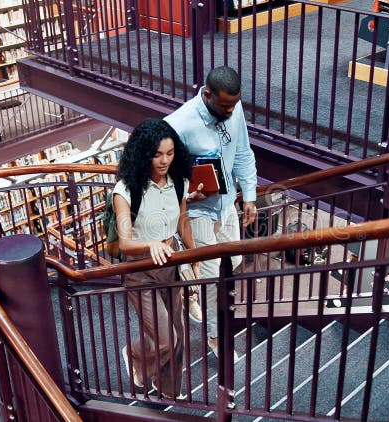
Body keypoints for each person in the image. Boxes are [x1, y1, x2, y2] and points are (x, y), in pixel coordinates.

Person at [165, 66, 258, 358]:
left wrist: (250, 196)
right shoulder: (178, 126)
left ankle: (189, 282)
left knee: (234, 260)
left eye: (235, 104)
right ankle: (215, 336)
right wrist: (188, 195)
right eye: (225, 106)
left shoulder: (234, 108)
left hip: (227, 204)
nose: (231, 111)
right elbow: (161, 182)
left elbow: (242, 151)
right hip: (197, 212)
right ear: (207, 95)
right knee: (213, 277)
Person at [115, 118, 197, 400]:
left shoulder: (178, 182)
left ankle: (168, 391)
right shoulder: (126, 190)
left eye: (170, 153)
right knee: (165, 339)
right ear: (143, 154)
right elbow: (125, 241)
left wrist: (194, 255)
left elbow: (182, 220)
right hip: (140, 269)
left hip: (170, 263)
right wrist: (150, 244)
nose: (165, 161)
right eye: (157, 154)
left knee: (178, 335)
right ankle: (135, 355)